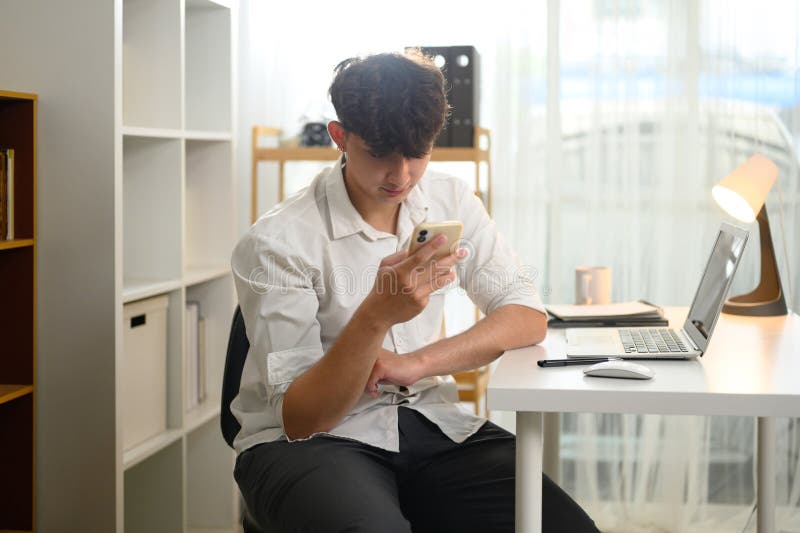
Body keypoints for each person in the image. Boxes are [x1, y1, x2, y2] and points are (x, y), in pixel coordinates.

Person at [231, 50, 598, 533]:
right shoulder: (278, 242)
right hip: (308, 444)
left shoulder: (449, 198)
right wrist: (376, 315)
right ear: (339, 137)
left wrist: (416, 363)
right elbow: (302, 419)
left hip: (427, 420)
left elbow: (526, 315)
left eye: (418, 153)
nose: (401, 175)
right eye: (379, 154)